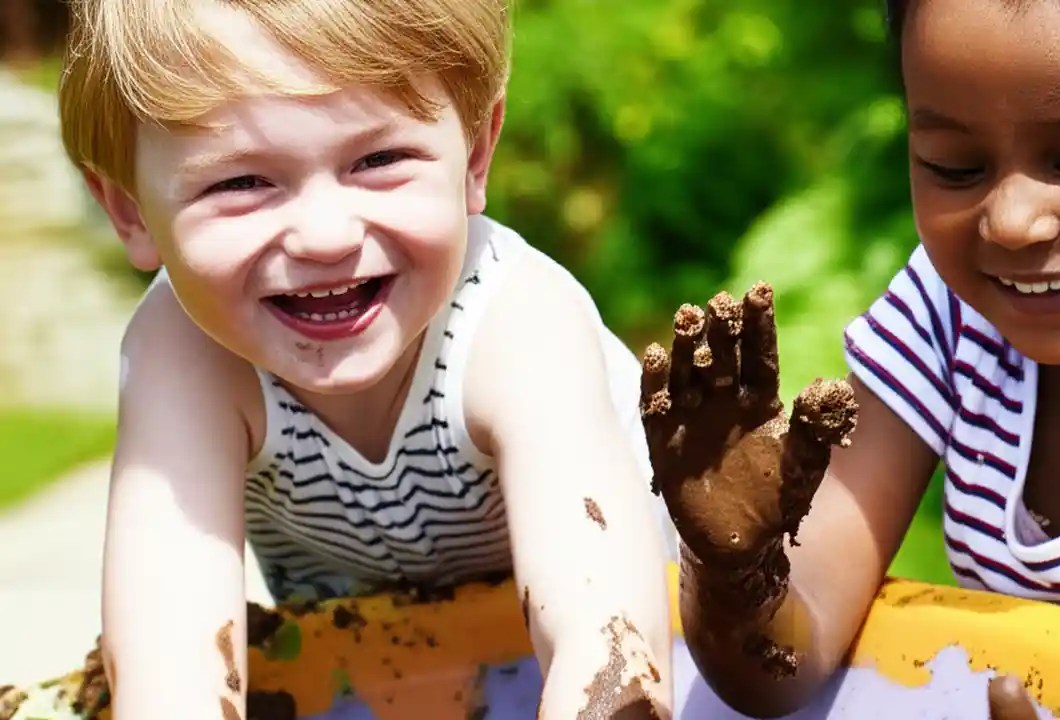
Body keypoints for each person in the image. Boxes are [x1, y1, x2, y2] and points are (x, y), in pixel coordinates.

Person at [640, 0, 1060, 718]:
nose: (1009, 221)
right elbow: (791, 652)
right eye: (955, 167)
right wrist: (733, 568)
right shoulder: (955, 315)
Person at [58, 1, 672, 717]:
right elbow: (172, 670)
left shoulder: (516, 325)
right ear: (130, 210)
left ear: (474, 155)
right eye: (241, 183)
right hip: (390, 685)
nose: (324, 236)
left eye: (378, 161)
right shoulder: (186, 351)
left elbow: (609, 645)